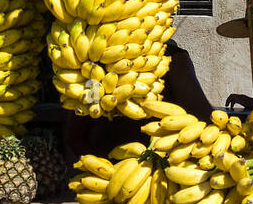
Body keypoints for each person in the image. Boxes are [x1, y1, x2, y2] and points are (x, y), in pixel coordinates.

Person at [62, 40, 214, 161]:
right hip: (117, 169)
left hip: (157, 165)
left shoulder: (94, 65)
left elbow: (75, 136)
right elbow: (205, 118)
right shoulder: (174, 60)